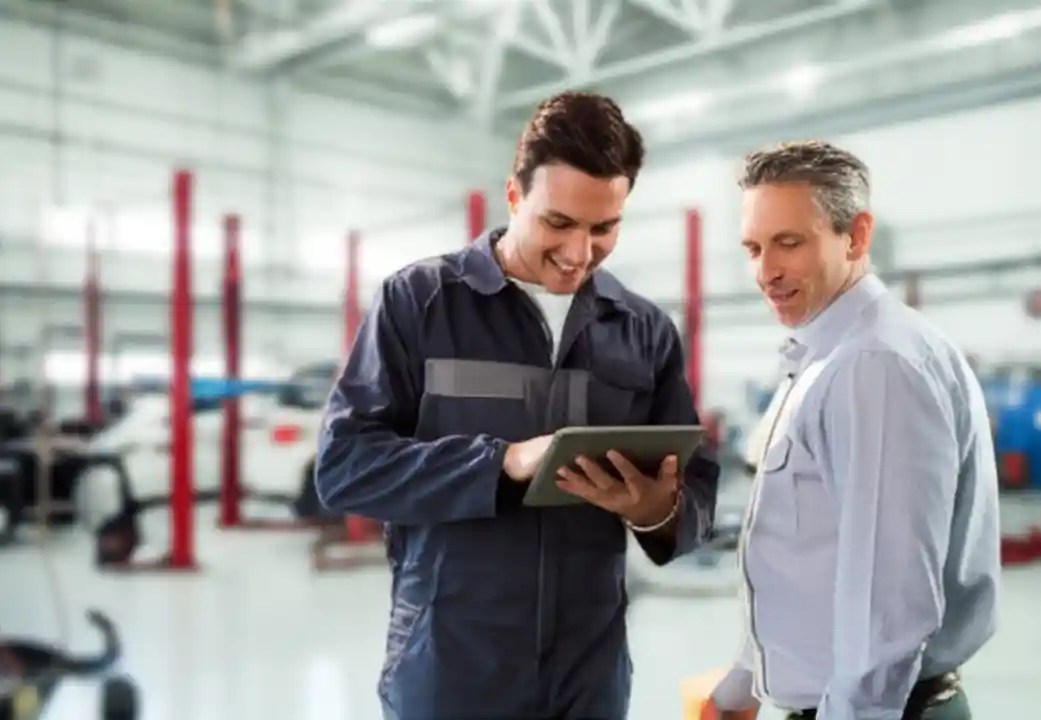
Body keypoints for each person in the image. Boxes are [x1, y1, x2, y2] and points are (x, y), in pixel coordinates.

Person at [313, 91, 720, 720]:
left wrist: (655, 510)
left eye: (603, 228)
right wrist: (500, 462)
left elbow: (694, 494)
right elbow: (345, 467)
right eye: (558, 223)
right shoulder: (419, 303)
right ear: (512, 196)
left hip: (588, 676)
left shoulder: (643, 329)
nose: (579, 253)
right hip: (450, 668)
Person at [712, 140, 1000, 720]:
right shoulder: (824, 357)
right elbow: (804, 555)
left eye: (789, 243)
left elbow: (888, 606)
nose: (765, 271)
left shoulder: (875, 366)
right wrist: (745, 683)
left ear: (857, 235)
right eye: (754, 248)